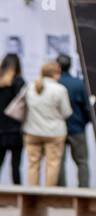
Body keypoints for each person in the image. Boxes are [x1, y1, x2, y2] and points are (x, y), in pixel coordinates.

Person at [22, 61, 72, 187]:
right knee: (53, 164)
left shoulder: (30, 87)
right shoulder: (60, 90)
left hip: (32, 131)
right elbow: (66, 112)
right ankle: (48, 197)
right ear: (56, 74)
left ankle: (32, 198)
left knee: (33, 165)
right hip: (54, 132)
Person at [56, 54, 92, 187]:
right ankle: (84, 191)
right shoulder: (79, 84)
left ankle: (61, 192)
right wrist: (84, 122)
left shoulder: (55, 83)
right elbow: (88, 108)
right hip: (77, 128)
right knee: (82, 161)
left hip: (58, 129)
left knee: (59, 161)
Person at [0, 54, 25, 183]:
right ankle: (17, 194)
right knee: (15, 166)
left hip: (1, 130)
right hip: (15, 130)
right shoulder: (19, 82)